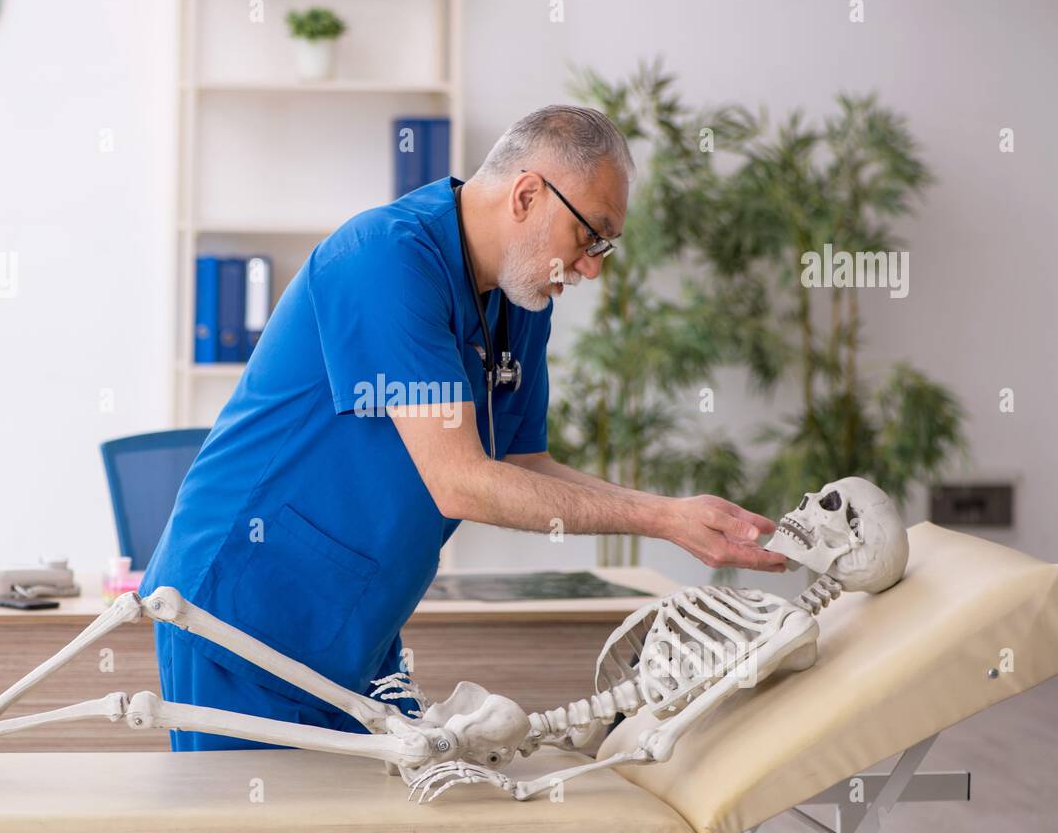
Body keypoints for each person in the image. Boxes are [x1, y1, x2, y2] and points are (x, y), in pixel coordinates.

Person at [137, 104, 787, 750]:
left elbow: (523, 463)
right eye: (590, 236)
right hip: (243, 608)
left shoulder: (520, 302)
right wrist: (664, 520)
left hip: (352, 621)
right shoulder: (384, 261)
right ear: (528, 194)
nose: (593, 267)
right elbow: (463, 483)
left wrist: (675, 512)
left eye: (603, 246)